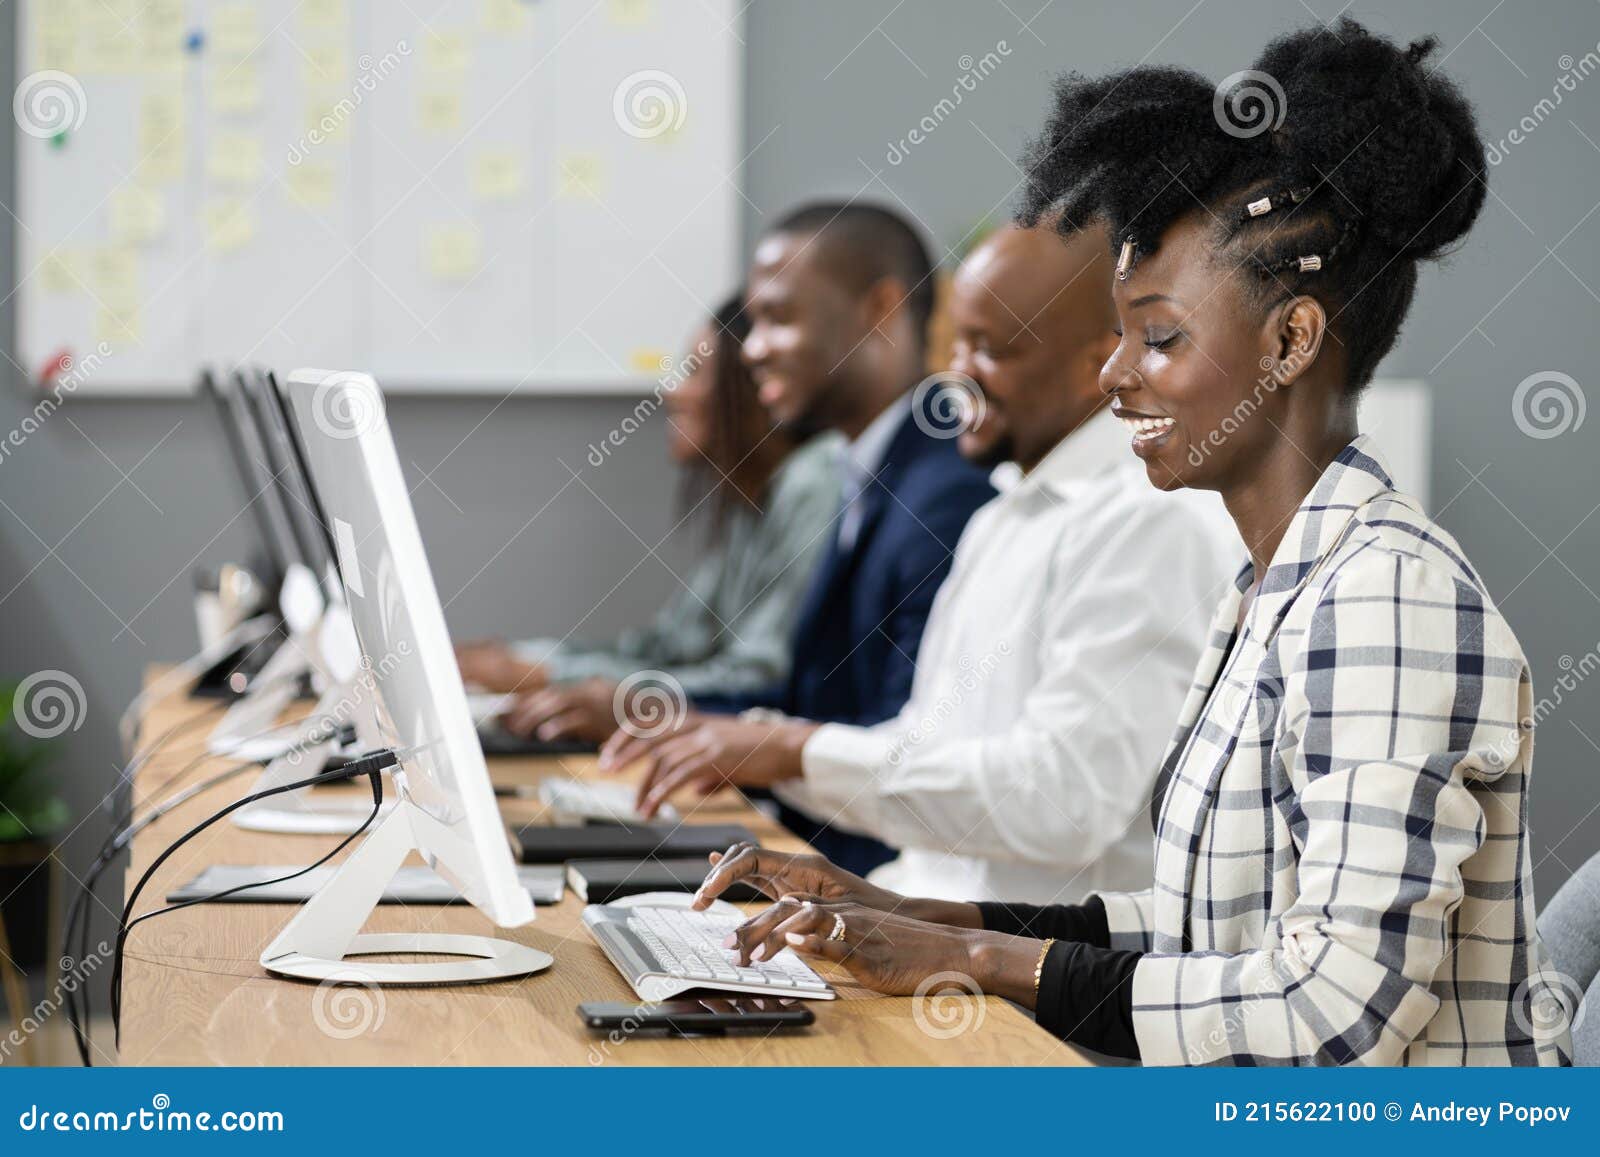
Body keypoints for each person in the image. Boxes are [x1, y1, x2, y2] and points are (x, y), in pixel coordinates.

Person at [693, 21, 1570, 1066]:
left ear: (1291, 340)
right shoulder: (1269, 586)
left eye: (1157, 336)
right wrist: (912, 914)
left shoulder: (1386, 596)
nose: (1113, 374)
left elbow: (1334, 1010)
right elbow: (1212, 928)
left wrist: (980, 960)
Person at [602, 223, 1238, 905]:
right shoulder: (1003, 512)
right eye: (956, 344)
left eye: (992, 349)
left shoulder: (1150, 522)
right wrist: (782, 768)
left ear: (1100, 364)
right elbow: (925, 749)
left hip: (1025, 962)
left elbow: (1064, 803)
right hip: (926, 918)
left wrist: (794, 751)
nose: (956, 376)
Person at [688, 203, 998, 873]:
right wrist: (667, 721)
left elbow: (906, 744)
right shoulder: (867, 468)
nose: (752, 348)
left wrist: (760, 749)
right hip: (816, 856)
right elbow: (815, 703)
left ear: (880, 310)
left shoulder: (947, 494)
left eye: (779, 317)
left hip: (879, 881)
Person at [456, 293, 839, 741]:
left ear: (754, 385)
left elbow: (757, 680)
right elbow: (670, 645)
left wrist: (579, 685)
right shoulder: (752, 499)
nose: (671, 390)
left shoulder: (812, 482)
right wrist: (529, 663)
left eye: (694, 371)